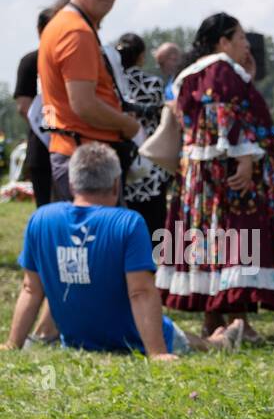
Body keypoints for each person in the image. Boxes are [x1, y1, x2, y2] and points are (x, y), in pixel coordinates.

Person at [156, 13, 274, 339]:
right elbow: (223, 113)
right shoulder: (221, 69)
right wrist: (244, 156)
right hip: (227, 174)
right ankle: (237, 320)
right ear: (223, 42)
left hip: (199, 176)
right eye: (241, 37)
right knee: (234, 239)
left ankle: (213, 319)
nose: (246, 44)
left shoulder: (189, 75)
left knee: (209, 240)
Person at [3, 143, 240, 358]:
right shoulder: (127, 223)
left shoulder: (41, 219)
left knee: (179, 334)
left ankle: (216, 339)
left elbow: (30, 290)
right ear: (117, 183)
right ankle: (218, 342)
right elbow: (141, 292)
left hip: (77, 340)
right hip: (132, 338)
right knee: (180, 337)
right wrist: (157, 353)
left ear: (72, 183)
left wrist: (13, 344)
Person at [37, 0, 141, 204]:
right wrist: (129, 126)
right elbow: (84, 105)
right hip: (87, 158)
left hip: (77, 152)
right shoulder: (76, 31)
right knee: (103, 241)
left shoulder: (68, 25)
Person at [115, 32, 169, 235]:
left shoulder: (115, 86)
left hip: (124, 158)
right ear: (141, 56)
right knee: (156, 227)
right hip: (151, 160)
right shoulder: (153, 84)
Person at [13, 1, 67, 208]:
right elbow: (24, 107)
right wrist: (50, 124)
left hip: (68, 146)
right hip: (43, 145)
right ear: (40, 30)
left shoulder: (69, 59)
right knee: (47, 208)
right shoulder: (31, 61)